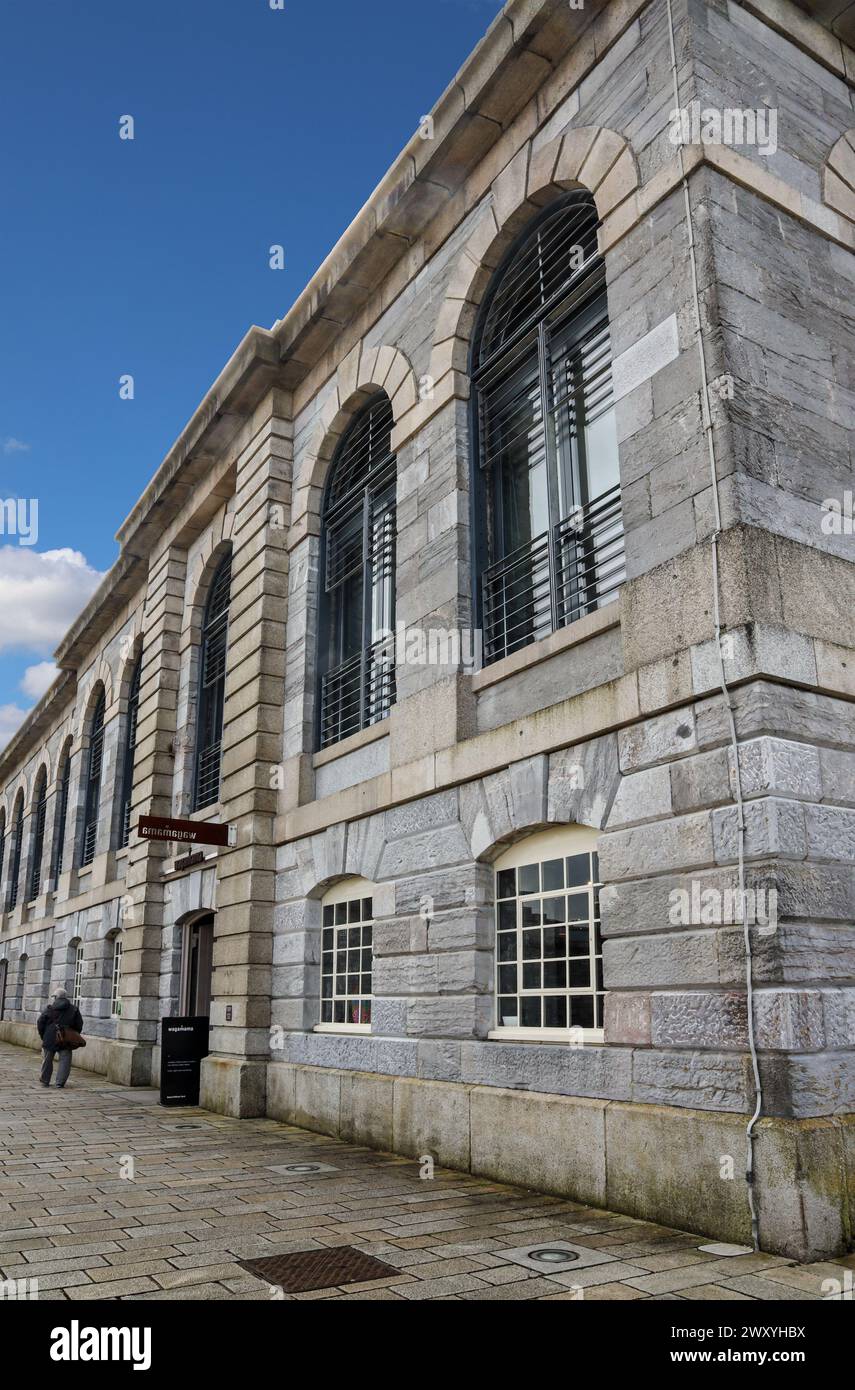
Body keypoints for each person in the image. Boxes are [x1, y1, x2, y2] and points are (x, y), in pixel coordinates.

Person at [37, 988, 83, 1089]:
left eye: (54, 997)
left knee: (47, 1060)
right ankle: (60, 1083)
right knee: (65, 1061)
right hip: (66, 1038)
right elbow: (79, 1025)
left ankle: (45, 1080)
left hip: (49, 1037)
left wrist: (43, 1036)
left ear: (56, 997)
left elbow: (40, 1022)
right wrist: (71, 1034)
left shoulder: (49, 1008)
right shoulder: (74, 1009)